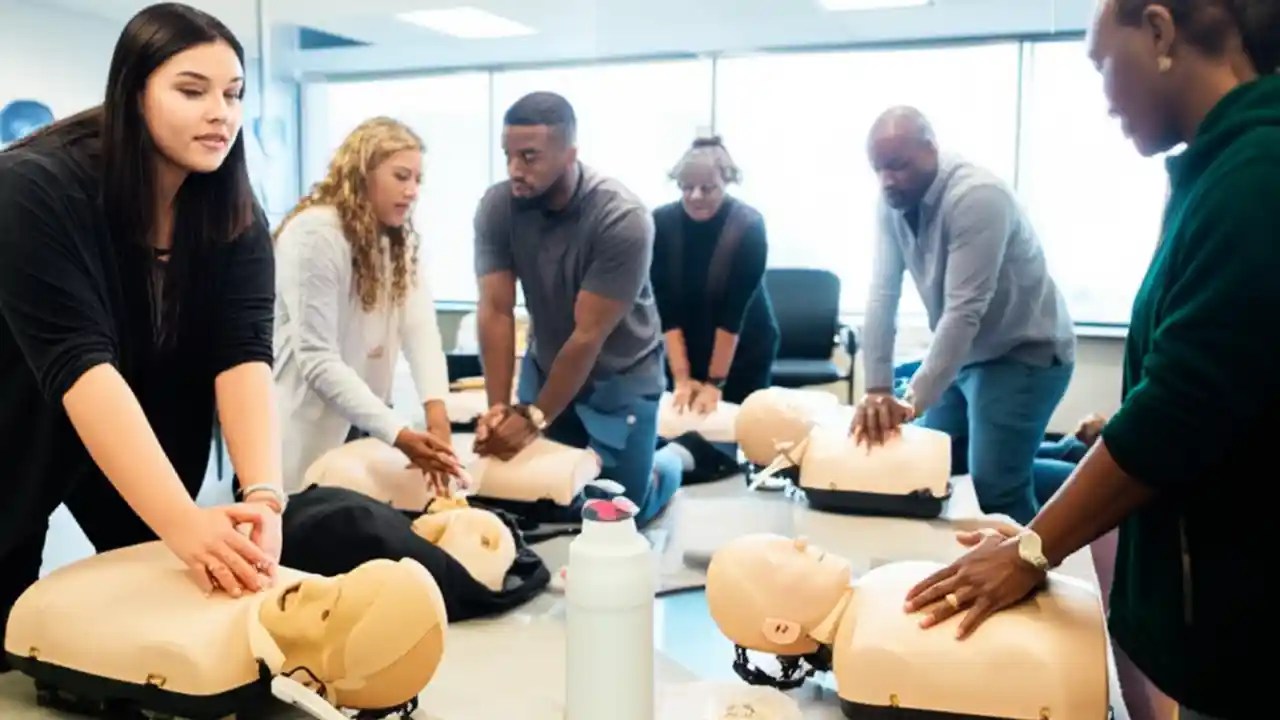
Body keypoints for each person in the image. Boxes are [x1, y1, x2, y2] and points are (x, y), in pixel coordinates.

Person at [902, 3, 1280, 719]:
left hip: (1247, 623)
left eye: (1104, 63)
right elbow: (1229, 363)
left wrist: (1032, 552)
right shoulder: (1221, 168)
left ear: (1162, 33)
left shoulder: (1257, 172)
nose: (1106, 99)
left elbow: (1181, 411)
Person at [0, 2, 284, 659]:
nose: (222, 113)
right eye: (192, 90)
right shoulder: (32, 190)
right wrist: (184, 523)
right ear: (134, 94)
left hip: (140, 417)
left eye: (234, 94)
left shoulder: (233, 214)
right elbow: (79, 365)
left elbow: (244, 356)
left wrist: (264, 495)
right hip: (18, 415)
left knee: (159, 605)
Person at [852, 106, 1076, 526]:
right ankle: (1064, 455)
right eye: (878, 169)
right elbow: (882, 294)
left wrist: (912, 400)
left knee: (996, 486)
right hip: (968, 354)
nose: (887, 180)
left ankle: (1032, 578)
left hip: (1023, 351)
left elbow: (963, 311)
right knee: (937, 464)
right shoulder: (891, 201)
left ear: (931, 149)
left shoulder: (977, 196)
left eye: (898, 166)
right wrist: (877, 389)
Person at [471, 91, 680, 526]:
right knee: (531, 501)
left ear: (570, 154)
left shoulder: (621, 218)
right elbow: (496, 308)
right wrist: (499, 408)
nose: (515, 170)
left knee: (617, 514)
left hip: (621, 376)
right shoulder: (497, 207)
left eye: (530, 157)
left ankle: (672, 458)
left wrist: (535, 416)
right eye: (508, 155)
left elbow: (588, 335)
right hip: (549, 364)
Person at [272, 116, 458, 494]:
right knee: (298, 539)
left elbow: (420, 329)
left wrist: (437, 418)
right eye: (401, 176)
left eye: (417, 180)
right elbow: (317, 359)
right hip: (300, 430)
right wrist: (399, 432)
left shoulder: (395, 238)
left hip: (360, 426)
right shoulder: (316, 234)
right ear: (362, 173)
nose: (412, 191)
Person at [650, 137, 779, 413]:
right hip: (682, 341)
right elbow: (665, 309)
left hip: (743, 346)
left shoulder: (748, 226)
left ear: (726, 183)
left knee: (732, 432)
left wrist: (714, 384)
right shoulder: (661, 223)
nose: (696, 196)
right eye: (687, 188)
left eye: (707, 189)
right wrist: (681, 379)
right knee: (679, 423)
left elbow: (732, 315)